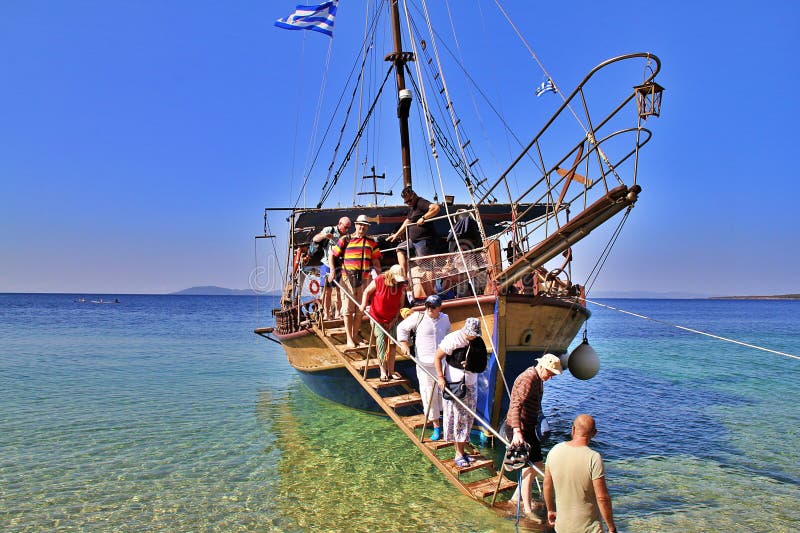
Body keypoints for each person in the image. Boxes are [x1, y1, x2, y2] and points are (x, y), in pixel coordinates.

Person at [505, 353, 563, 517]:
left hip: (528, 427)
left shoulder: (538, 378)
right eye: (550, 373)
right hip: (520, 429)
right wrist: (517, 432)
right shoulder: (528, 379)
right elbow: (516, 405)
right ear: (543, 367)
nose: (550, 378)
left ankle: (517, 497)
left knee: (537, 464)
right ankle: (527, 509)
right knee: (529, 469)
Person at [543, 414, 617, 533]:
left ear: (573, 429)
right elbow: (602, 498)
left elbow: (547, 485)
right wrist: (611, 527)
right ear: (594, 433)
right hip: (589, 529)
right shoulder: (593, 458)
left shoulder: (554, 450)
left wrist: (550, 509)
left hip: (561, 527)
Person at [396, 294, 450, 441]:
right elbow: (402, 328)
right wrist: (404, 344)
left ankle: (446, 425)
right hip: (424, 364)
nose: (430, 309)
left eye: (433, 307)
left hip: (442, 363)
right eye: (428, 306)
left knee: (443, 395)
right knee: (428, 395)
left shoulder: (445, 319)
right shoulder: (418, 317)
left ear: (439, 307)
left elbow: (447, 335)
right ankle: (436, 427)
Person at [434, 317, 482, 467]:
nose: (472, 336)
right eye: (471, 334)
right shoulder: (453, 339)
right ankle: (459, 453)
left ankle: (462, 450)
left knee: (468, 417)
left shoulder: (477, 341)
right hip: (455, 385)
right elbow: (438, 357)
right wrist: (441, 378)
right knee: (457, 418)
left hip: (471, 384)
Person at [330, 214, 382, 348]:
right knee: (347, 310)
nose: (362, 228)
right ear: (356, 225)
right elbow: (332, 255)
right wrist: (331, 270)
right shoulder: (345, 239)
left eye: (365, 226)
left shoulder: (371, 242)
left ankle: (353, 337)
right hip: (347, 278)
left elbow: (376, 261)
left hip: (364, 278)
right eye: (360, 225)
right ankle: (349, 338)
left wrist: (380, 277)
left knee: (360, 309)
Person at [359, 264, 408, 381]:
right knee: (380, 342)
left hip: (392, 318)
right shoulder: (380, 280)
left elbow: (400, 305)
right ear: (390, 275)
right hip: (377, 317)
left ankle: (391, 371)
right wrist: (363, 305)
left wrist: (394, 319)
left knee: (392, 344)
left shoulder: (401, 286)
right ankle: (383, 371)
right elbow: (366, 292)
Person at [387, 186, 440, 278]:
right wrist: (396, 235)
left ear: (414, 195)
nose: (408, 203)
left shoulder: (420, 202)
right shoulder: (413, 207)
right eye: (406, 202)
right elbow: (407, 221)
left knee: (426, 266)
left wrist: (423, 218)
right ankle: (404, 277)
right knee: (400, 249)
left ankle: (430, 289)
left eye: (409, 201)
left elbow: (436, 208)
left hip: (423, 241)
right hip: (413, 241)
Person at [312, 216, 352, 319]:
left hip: (339, 264)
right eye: (346, 227)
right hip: (326, 264)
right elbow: (315, 238)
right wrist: (325, 236)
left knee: (339, 289)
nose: (347, 230)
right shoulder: (330, 230)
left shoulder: (346, 236)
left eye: (348, 228)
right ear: (339, 224)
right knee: (327, 290)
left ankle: (338, 313)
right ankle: (327, 314)